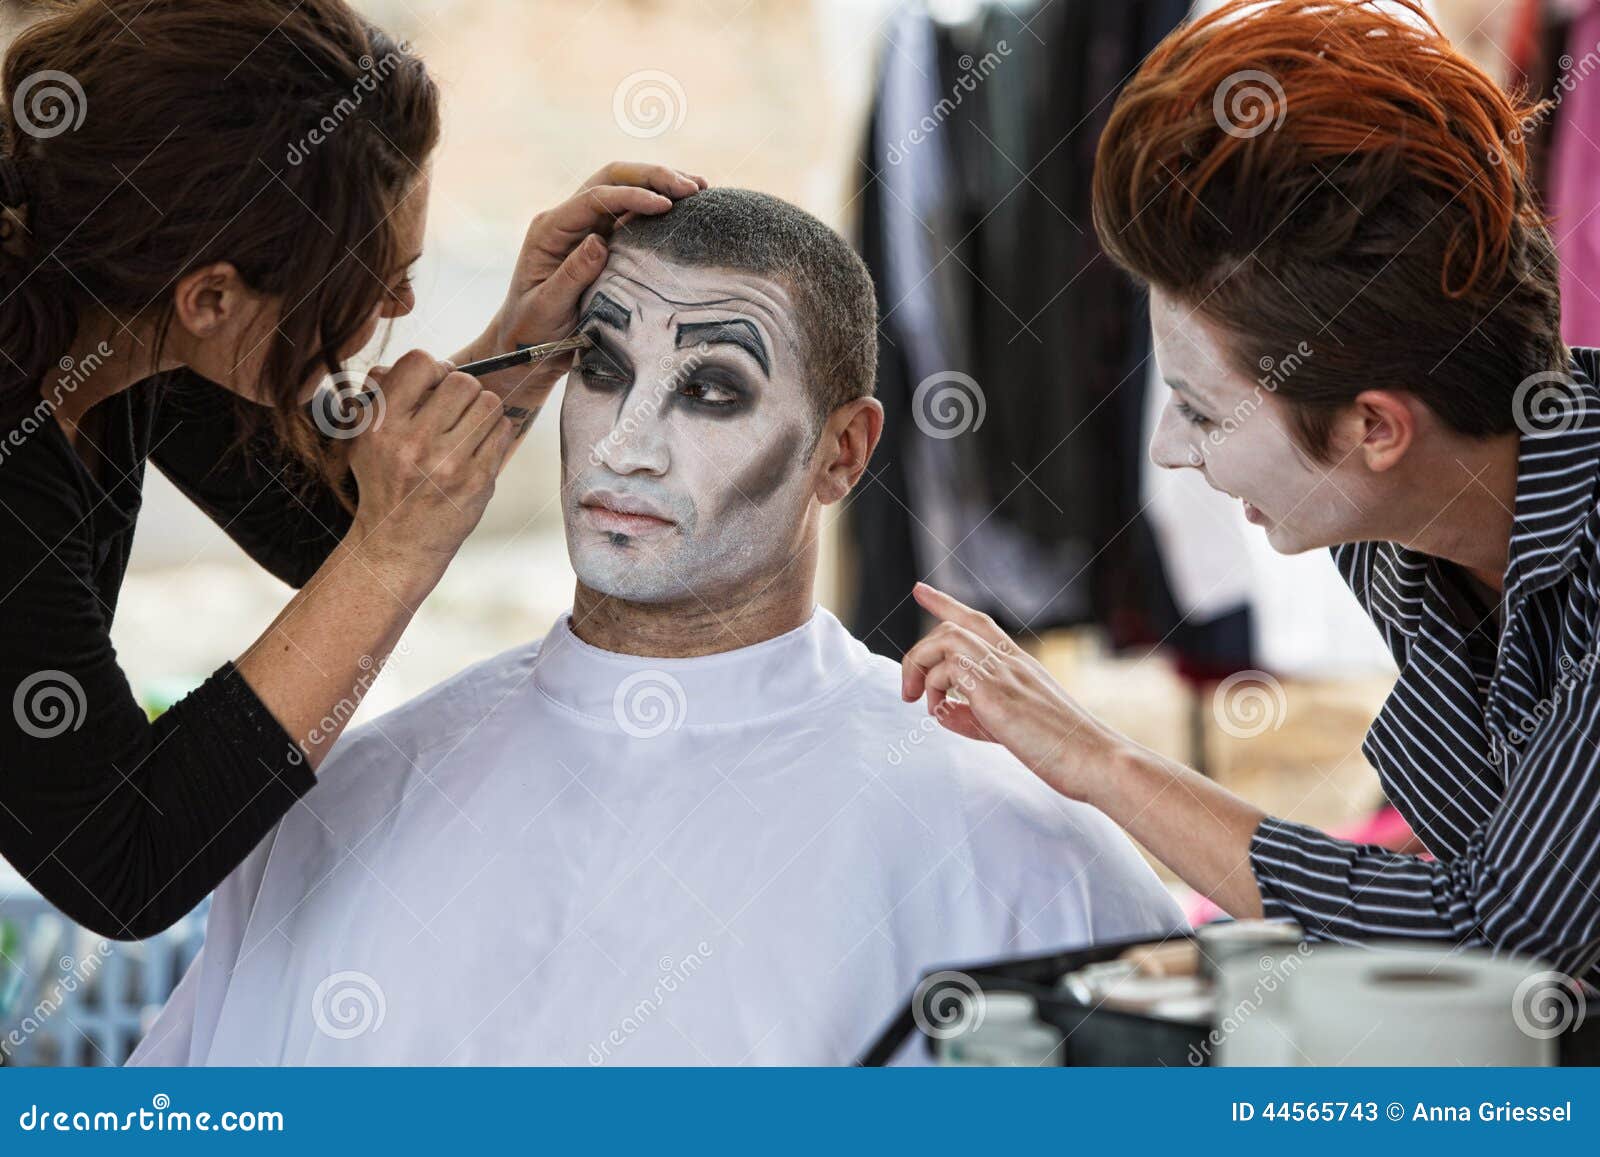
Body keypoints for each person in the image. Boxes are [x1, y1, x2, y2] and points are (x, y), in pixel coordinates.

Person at [127, 189, 1184, 1066]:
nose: (626, 446)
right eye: (601, 368)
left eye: (712, 388)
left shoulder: (1018, 854)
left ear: (843, 451)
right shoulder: (346, 799)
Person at [901, 0, 1600, 986]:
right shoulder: (1398, 529)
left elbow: (1502, 940)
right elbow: (1518, 867)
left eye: (1196, 408)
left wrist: (1099, 759)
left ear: (1374, 426)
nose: (1167, 450)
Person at [0, 0, 700, 938]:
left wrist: (523, 342)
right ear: (213, 295)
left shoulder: (119, 307)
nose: (406, 299)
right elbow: (125, 855)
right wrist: (392, 551)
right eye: (376, 280)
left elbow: (321, 523)